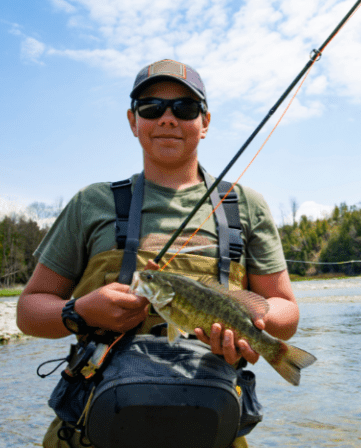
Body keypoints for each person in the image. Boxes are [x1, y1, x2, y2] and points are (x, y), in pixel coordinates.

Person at [17, 59, 300, 448]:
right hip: (95, 431)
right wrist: (79, 311)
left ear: (205, 121)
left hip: (209, 428)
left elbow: (285, 308)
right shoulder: (91, 202)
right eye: (152, 108)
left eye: (184, 108)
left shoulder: (244, 204)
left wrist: (253, 330)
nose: (168, 118)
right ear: (133, 121)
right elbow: (29, 311)